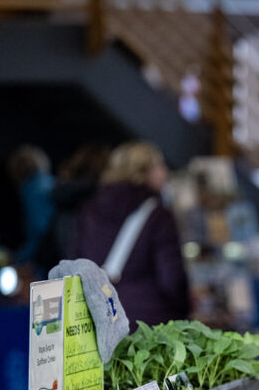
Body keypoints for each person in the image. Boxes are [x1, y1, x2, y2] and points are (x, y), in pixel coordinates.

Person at [72, 140, 190, 327]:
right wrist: (185, 310)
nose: (165, 171)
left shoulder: (89, 211)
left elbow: (77, 263)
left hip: (102, 320)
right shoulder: (159, 216)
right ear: (143, 172)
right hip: (150, 323)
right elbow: (171, 280)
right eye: (159, 165)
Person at [7, 144, 56, 274]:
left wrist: (18, 259)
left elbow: (39, 230)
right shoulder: (51, 183)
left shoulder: (32, 191)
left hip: (45, 261)